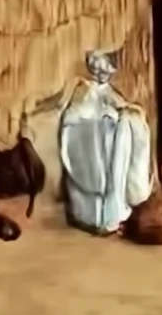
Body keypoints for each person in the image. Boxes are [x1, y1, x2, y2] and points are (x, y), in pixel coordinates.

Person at [59, 49, 155, 236]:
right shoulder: (84, 89)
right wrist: (100, 118)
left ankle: (120, 205)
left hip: (111, 134)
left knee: (127, 125)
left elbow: (120, 105)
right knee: (109, 132)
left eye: (108, 72)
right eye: (102, 71)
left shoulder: (108, 91)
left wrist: (128, 113)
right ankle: (100, 214)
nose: (105, 76)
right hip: (88, 133)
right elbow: (74, 116)